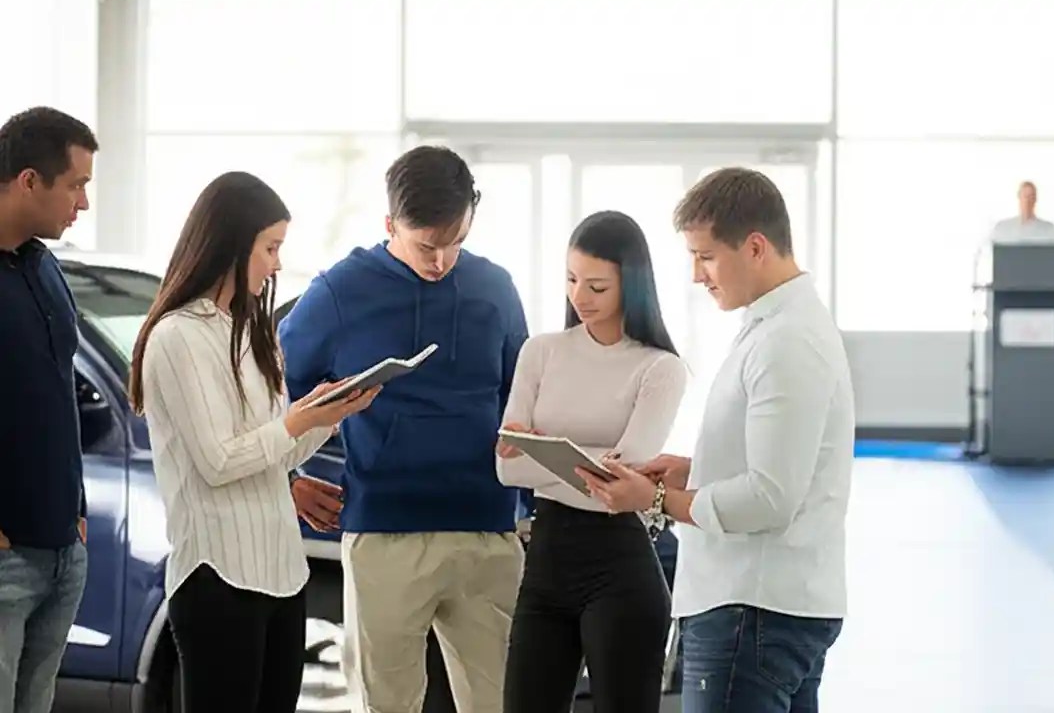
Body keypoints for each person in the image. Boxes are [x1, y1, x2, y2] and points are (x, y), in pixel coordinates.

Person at [580, 167, 855, 713]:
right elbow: (771, 464)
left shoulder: (787, 342)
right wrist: (692, 469)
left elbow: (771, 499)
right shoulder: (778, 327)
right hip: (767, 607)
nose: (696, 275)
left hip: (751, 610)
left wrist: (655, 500)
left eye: (705, 256)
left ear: (755, 247)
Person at [278, 145, 529, 713]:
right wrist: (286, 477)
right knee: (385, 705)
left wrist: (529, 508)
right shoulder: (339, 292)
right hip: (386, 533)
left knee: (503, 703)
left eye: (455, 241)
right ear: (390, 224)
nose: (441, 261)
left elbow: (524, 401)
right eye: (426, 245)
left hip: (487, 531)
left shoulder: (496, 289)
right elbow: (275, 389)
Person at [129, 171, 379, 713]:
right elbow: (219, 461)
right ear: (231, 243)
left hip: (282, 575)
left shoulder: (251, 332)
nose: (278, 263)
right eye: (271, 247)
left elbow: (275, 456)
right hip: (218, 577)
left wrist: (328, 416)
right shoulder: (176, 336)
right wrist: (294, 422)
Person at [498, 210, 688, 713]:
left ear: (633, 285)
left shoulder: (660, 368)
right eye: (571, 279)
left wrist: (546, 446)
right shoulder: (540, 353)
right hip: (545, 566)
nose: (579, 297)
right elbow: (506, 469)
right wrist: (591, 462)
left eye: (597, 287)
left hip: (621, 570)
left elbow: (620, 485)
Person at [0, 106, 97, 713]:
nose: (82, 204)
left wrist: (78, 509)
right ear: (29, 180)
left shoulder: (45, 266)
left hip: (63, 549)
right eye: (76, 186)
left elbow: (59, 391)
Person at [989, 180, 1054, 245]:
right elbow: (990, 253)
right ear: (1019, 197)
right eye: (1025, 196)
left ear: (1035, 199)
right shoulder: (1002, 228)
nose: (1028, 201)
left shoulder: (1048, 230)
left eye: (1031, 197)